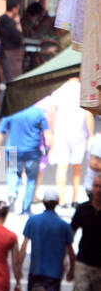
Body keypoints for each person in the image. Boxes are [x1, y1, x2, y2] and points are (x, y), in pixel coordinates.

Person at [18, 186, 75, 291]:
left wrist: (17, 268)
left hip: (36, 272)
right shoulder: (63, 226)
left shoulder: (33, 221)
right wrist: (72, 269)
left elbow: (23, 246)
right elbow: (71, 251)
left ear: (43, 202)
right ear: (57, 202)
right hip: (54, 274)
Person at [0, 100, 52, 215]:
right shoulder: (39, 112)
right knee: (31, 180)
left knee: (13, 173)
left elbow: (1, 131)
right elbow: (47, 133)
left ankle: (12, 196)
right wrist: (49, 147)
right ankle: (26, 208)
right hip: (32, 151)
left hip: (13, 150)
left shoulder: (11, 111)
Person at [47, 77, 95, 207]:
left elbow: (51, 114)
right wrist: (91, 135)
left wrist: (50, 131)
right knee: (77, 167)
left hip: (61, 134)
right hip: (79, 134)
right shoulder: (83, 91)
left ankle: (62, 200)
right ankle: (74, 199)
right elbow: (89, 115)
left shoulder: (58, 91)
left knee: (62, 167)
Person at [71, 143, 101, 291]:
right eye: (95, 186)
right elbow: (71, 233)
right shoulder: (82, 209)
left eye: (100, 187)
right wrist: (68, 258)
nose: (97, 190)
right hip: (83, 261)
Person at [0, 0, 24, 83]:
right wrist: (18, 23)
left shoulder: (0, 19)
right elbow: (19, 38)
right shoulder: (11, 22)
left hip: (4, 51)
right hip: (12, 53)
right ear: (15, 8)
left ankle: (3, 92)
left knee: (7, 77)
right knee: (13, 79)